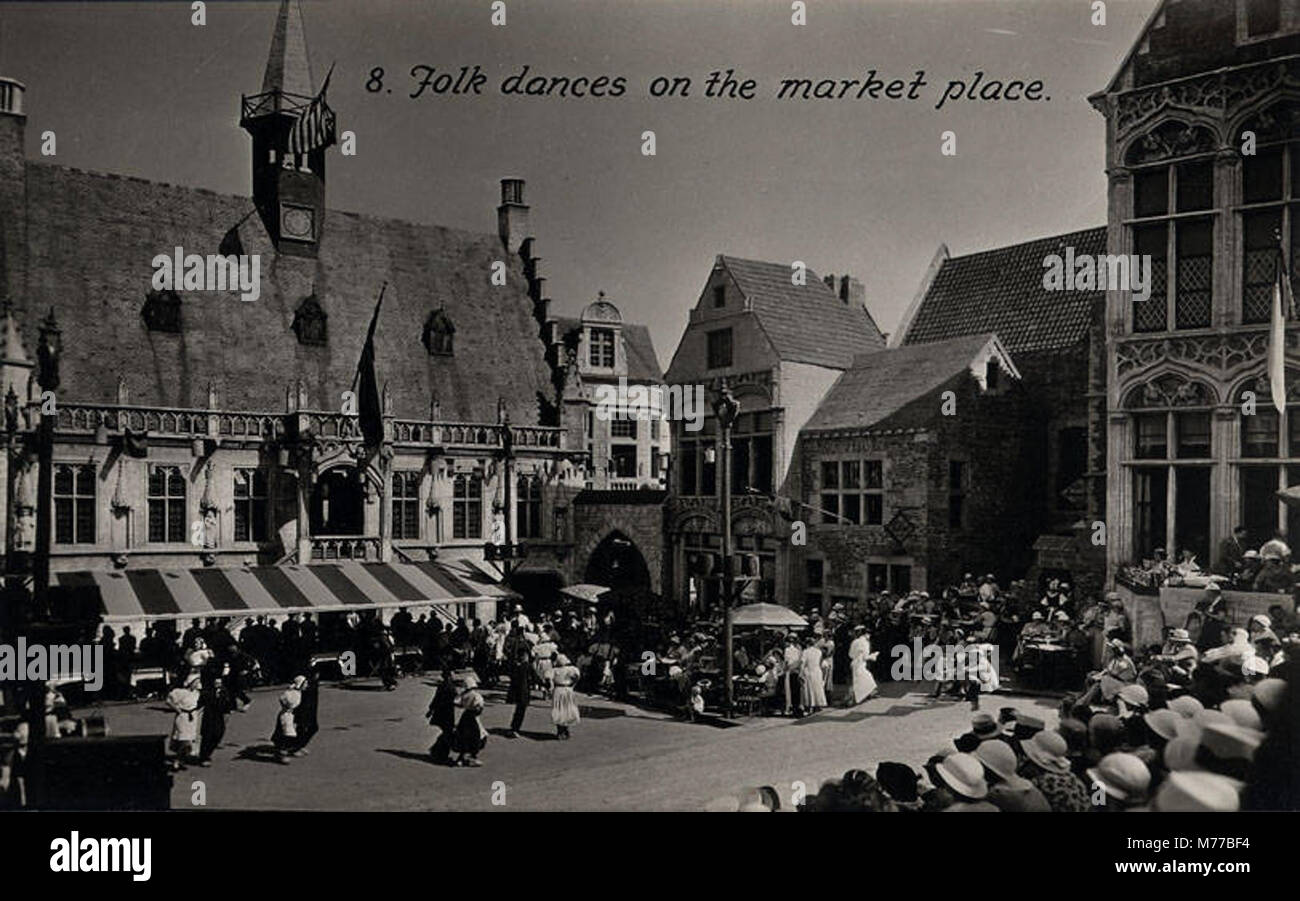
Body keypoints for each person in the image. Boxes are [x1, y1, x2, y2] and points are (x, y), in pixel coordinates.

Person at [196, 663, 231, 767]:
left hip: (220, 716)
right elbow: (200, 703)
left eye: (219, 682)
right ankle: (204, 757)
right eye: (216, 682)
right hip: (209, 716)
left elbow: (227, 704)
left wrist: (227, 714)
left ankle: (208, 753)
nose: (218, 683)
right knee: (207, 736)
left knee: (218, 735)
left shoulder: (224, 692)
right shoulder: (207, 692)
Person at [166, 674, 203, 771]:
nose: (197, 684)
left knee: (190, 740)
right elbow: (168, 700)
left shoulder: (197, 693)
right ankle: (177, 760)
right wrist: (177, 709)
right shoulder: (180, 692)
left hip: (193, 718)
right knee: (184, 740)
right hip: (183, 718)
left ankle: (181, 760)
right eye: (196, 682)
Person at [453, 675, 488, 766]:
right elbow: (479, 706)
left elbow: (457, 703)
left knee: (463, 735)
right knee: (476, 736)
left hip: (465, 716)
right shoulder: (476, 695)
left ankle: (461, 757)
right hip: (473, 716)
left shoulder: (463, 695)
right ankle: (472, 757)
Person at [427, 667, 458, 764]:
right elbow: (454, 698)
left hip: (441, 712)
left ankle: (437, 752)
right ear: (448, 676)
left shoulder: (442, 685)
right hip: (446, 713)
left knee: (447, 733)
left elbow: (436, 699)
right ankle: (439, 753)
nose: (454, 676)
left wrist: (431, 710)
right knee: (448, 734)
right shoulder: (450, 686)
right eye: (452, 674)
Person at [550, 653, 581, 740]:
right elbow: (577, 677)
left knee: (559, 709)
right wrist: (573, 684)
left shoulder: (554, 670)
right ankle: (564, 729)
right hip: (567, 690)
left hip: (559, 690)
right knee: (566, 709)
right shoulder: (571, 670)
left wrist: (550, 687)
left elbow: (548, 679)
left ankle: (561, 730)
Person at [506, 645, 533, 738]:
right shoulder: (527, 666)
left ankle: (513, 727)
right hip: (524, 691)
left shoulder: (515, 665)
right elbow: (535, 677)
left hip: (515, 691)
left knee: (518, 710)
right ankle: (515, 728)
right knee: (521, 711)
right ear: (525, 656)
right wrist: (545, 684)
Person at [847, 625, 878, 705]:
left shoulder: (854, 642)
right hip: (860, 664)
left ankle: (866, 694)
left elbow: (850, 654)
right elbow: (865, 656)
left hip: (854, 663)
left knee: (864, 678)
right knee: (862, 679)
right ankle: (855, 698)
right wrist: (873, 656)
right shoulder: (865, 643)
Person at [271, 683, 301, 764]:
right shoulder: (291, 693)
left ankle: (283, 750)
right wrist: (288, 707)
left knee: (286, 734)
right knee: (287, 735)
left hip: (290, 715)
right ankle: (282, 754)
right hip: (287, 716)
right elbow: (283, 699)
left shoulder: (298, 693)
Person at [292, 673, 320, 755]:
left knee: (311, 727)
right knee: (304, 726)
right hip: (303, 704)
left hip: (310, 700)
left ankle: (299, 746)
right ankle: (296, 747)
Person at [799, 636, 827, 713]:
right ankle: (817, 705)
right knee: (817, 688)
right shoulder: (819, 652)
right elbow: (820, 662)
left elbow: (803, 663)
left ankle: (809, 705)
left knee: (808, 689)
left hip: (809, 670)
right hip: (817, 671)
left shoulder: (806, 652)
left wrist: (800, 673)